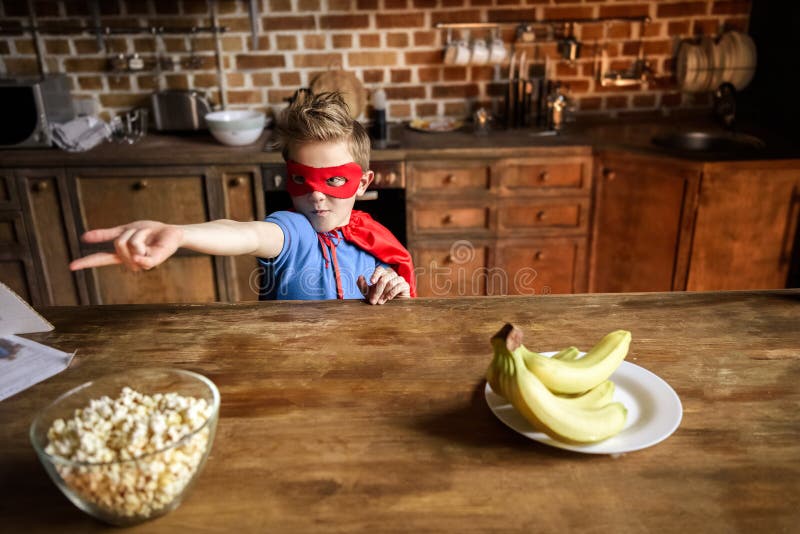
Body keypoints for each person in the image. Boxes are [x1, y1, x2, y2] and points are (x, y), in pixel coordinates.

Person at [69, 91, 416, 305]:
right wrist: (182, 233)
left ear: (362, 183)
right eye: (301, 178)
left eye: (335, 179)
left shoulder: (373, 239)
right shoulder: (292, 232)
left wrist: (392, 291)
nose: (315, 194)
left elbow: (393, 304)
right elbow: (246, 233)